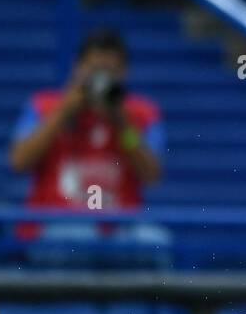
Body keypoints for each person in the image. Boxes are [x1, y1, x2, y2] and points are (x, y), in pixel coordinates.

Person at [9, 29, 163, 228]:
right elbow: (18, 162)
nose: (101, 81)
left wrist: (123, 125)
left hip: (120, 227)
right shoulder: (43, 106)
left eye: (110, 73)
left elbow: (151, 175)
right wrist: (62, 114)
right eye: (95, 71)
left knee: (154, 242)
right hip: (56, 224)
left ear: (124, 73)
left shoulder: (142, 113)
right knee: (78, 234)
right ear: (77, 67)